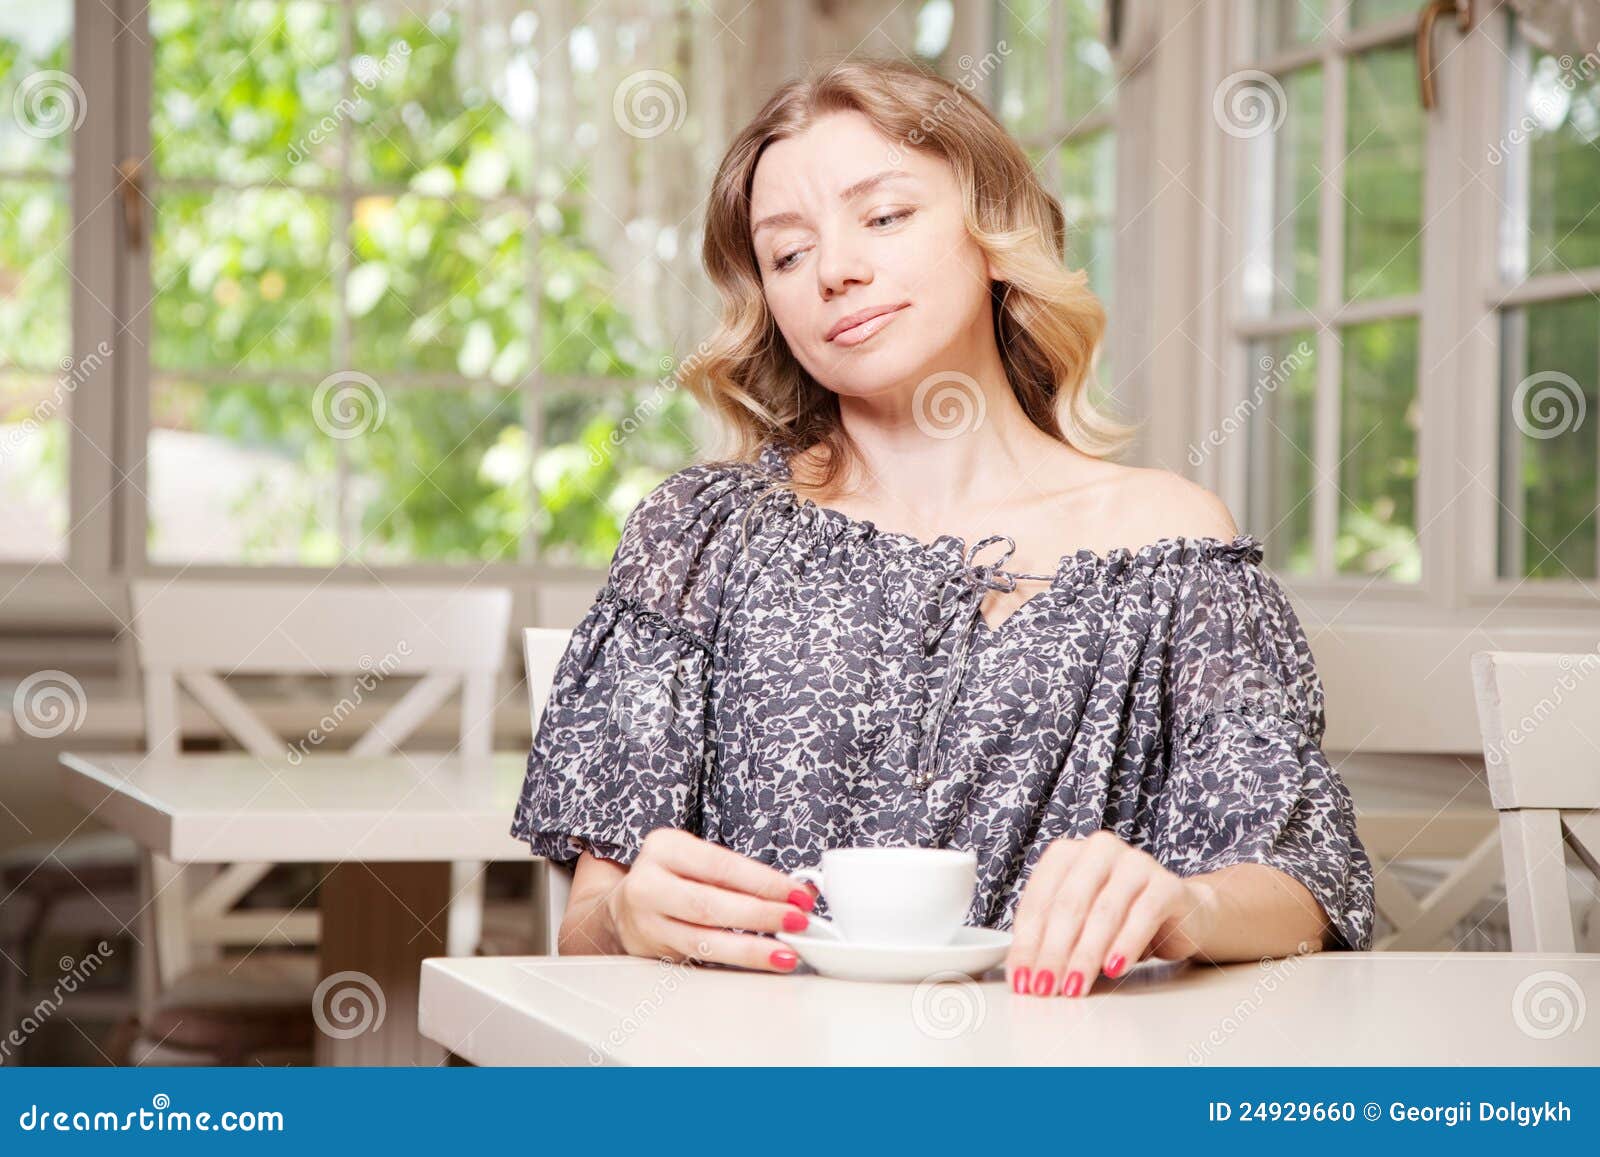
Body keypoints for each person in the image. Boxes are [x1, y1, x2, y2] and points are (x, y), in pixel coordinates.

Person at [510, 58, 1374, 999]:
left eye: (884, 216)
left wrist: (1187, 906)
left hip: (1061, 1069)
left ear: (993, 231)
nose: (835, 270)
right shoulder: (700, 534)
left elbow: (1304, 883)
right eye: (788, 254)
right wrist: (626, 916)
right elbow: (586, 929)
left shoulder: (1170, 542)